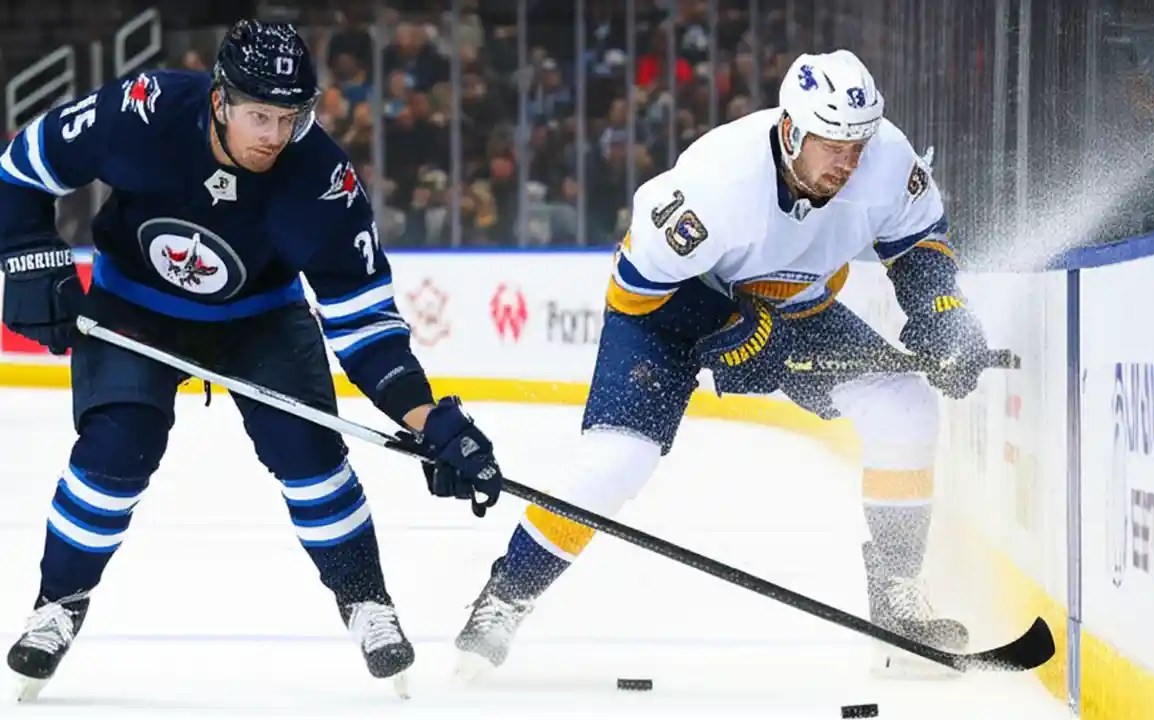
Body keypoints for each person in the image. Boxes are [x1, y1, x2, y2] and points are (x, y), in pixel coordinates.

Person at [0, 21, 504, 701]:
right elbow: (20, 170)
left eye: (290, 119)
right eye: (259, 115)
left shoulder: (323, 183)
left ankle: (366, 600)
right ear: (219, 100)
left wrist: (431, 420)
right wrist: (26, 255)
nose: (274, 134)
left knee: (311, 457)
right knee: (115, 451)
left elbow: (365, 326)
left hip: (259, 320)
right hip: (132, 303)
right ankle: (56, 604)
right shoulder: (142, 112)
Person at [452, 50, 989, 677]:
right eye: (832, 144)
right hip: (668, 316)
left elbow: (919, 244)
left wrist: (943, 313)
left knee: (905, 406)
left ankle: (896, 601)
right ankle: (507, 594)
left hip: (794, 306)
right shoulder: (718, 181)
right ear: (791, 131)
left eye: (857, 145)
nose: (848, 162)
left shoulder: (887, 160)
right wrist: (727, 327)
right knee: (617, 462)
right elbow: (634, 289)